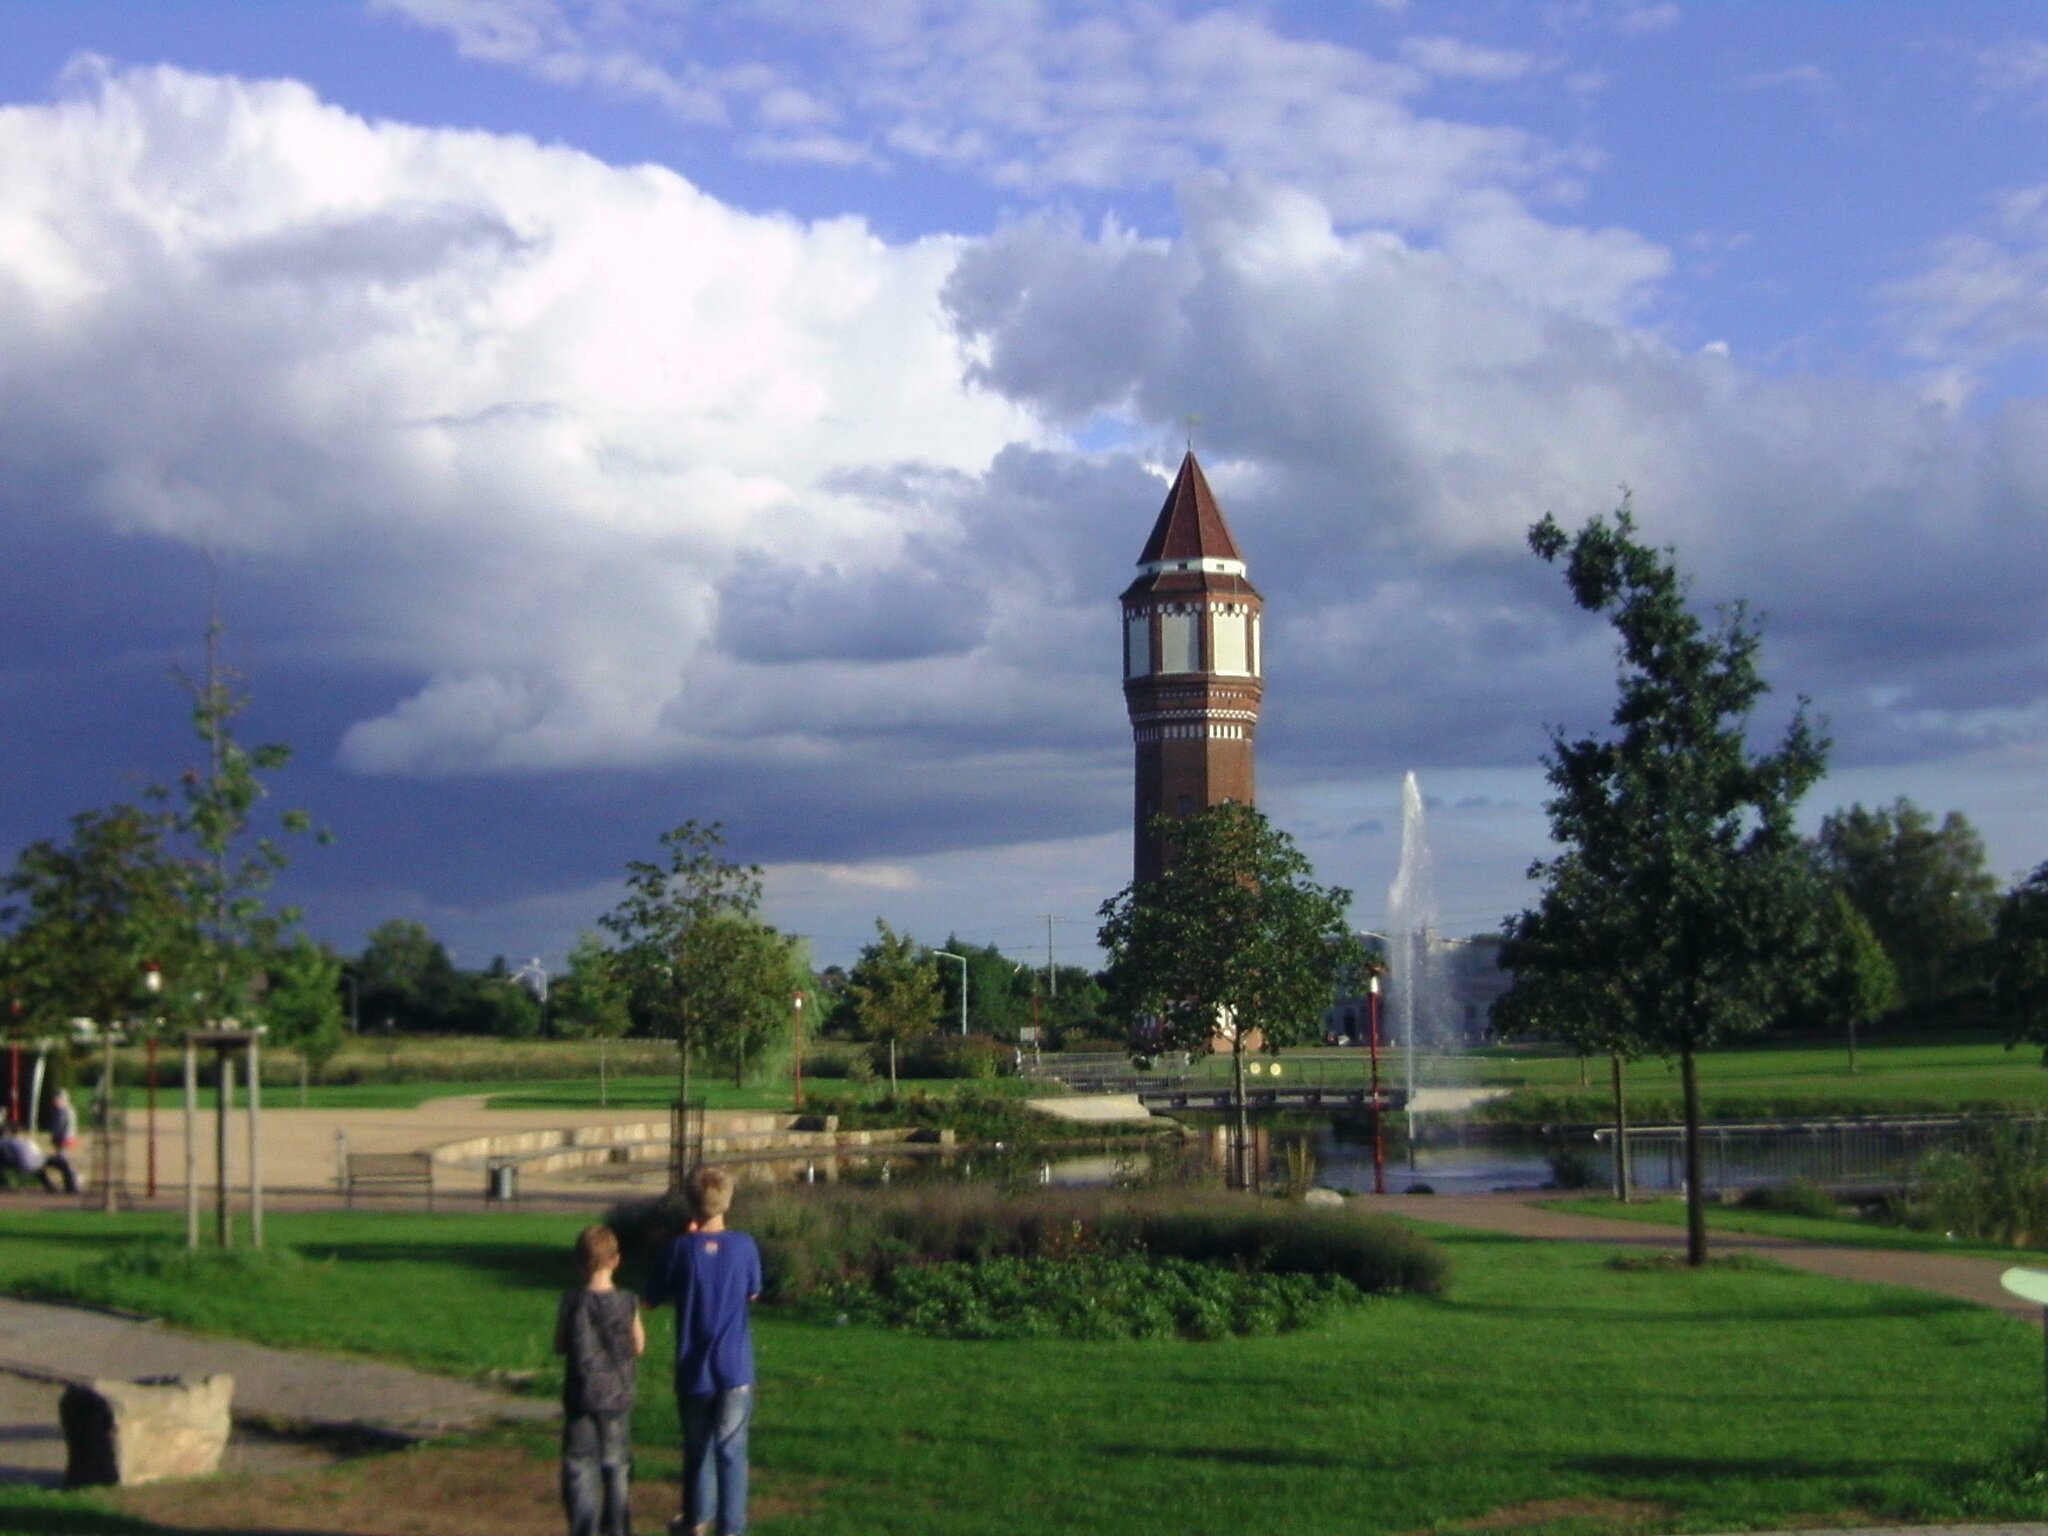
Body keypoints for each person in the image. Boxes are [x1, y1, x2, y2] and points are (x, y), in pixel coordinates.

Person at [645, 1166, 761, 1536]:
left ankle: (696, 1520)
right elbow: (753, 1292)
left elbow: (650, 1298)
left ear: (691, 1204)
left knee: (697, 1451)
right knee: (732, 1451)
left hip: (694, 1366)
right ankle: (732, 1528)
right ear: (727, 1201)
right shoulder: (745, 1246)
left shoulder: (679, 1250)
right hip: (735, 1366)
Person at [555, 1224, 644, 1536]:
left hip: (581, 1395)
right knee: (616, 1465)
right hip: (618, 1396)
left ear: (579, 1263)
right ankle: (618, 1527)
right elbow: (639, 1345)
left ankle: (584, 1529)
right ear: (616, 1260)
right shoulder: (628, 1302)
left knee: (580, 1467)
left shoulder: (572, 1302)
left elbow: (561, 1344)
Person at [0, 1124, 61, 1192]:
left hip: (22, 1164)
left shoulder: (5, 1141)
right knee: (41, 1168)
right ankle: (50, 1186)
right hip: (35, 1162)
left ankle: (5, 1185)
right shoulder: (20, 1140)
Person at [45, 1088, 80, 1194]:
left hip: (65, 1138)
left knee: (62, 1159)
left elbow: (63, 1127)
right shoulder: (61, 1110)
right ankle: (70, 1179)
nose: (55, 1101)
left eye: (57, 1098)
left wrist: (59, 1138)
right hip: (62, 1138)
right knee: (63, 1159)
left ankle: (73, 1180)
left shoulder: (65, 1111)